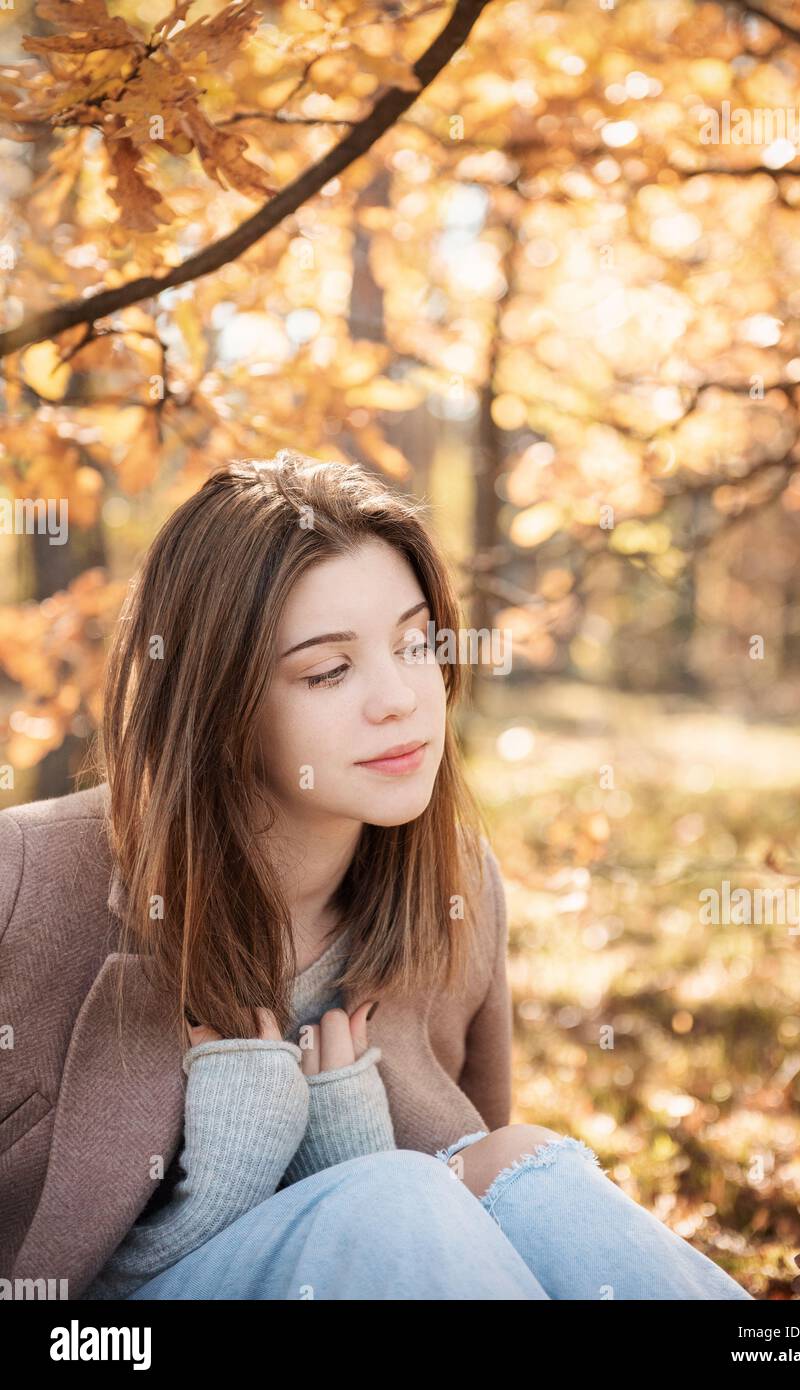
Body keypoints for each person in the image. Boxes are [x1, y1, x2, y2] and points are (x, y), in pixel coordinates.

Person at [1, 451, 753, 1300]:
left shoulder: (458, 885)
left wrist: (354, 1163)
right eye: (328, 670)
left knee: (522, 1165)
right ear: (216, 702)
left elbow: (468, 1233)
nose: (401, 699)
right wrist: (222, 1193)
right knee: (395, 1191)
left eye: (416, 644)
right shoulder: (21, 881)